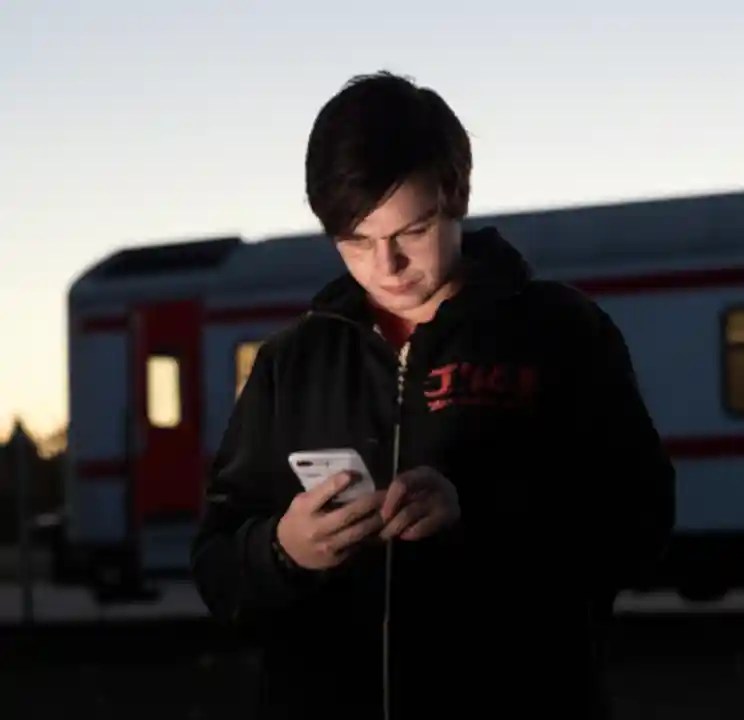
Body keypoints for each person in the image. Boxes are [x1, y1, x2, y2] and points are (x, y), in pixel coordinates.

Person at [189, 70, 676, 719]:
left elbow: (640, 524)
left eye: (410, 232)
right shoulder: (291, 363)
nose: (384, 266)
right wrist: (283, 549)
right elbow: (217, 565)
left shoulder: (559, 332)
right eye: (356, 241)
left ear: (455, 194)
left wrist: (476, 512)